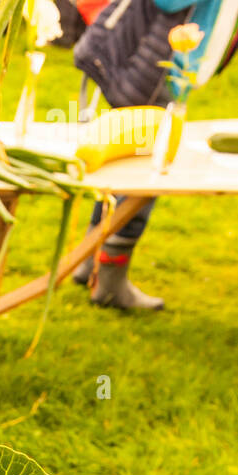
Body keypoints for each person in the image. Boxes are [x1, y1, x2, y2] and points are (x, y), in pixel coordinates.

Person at [72, 0, 238, 309]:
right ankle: (109, 278)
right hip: (158, 65)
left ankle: (87, 260)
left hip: (169, 62)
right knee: (146, 175)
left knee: (126, 170)